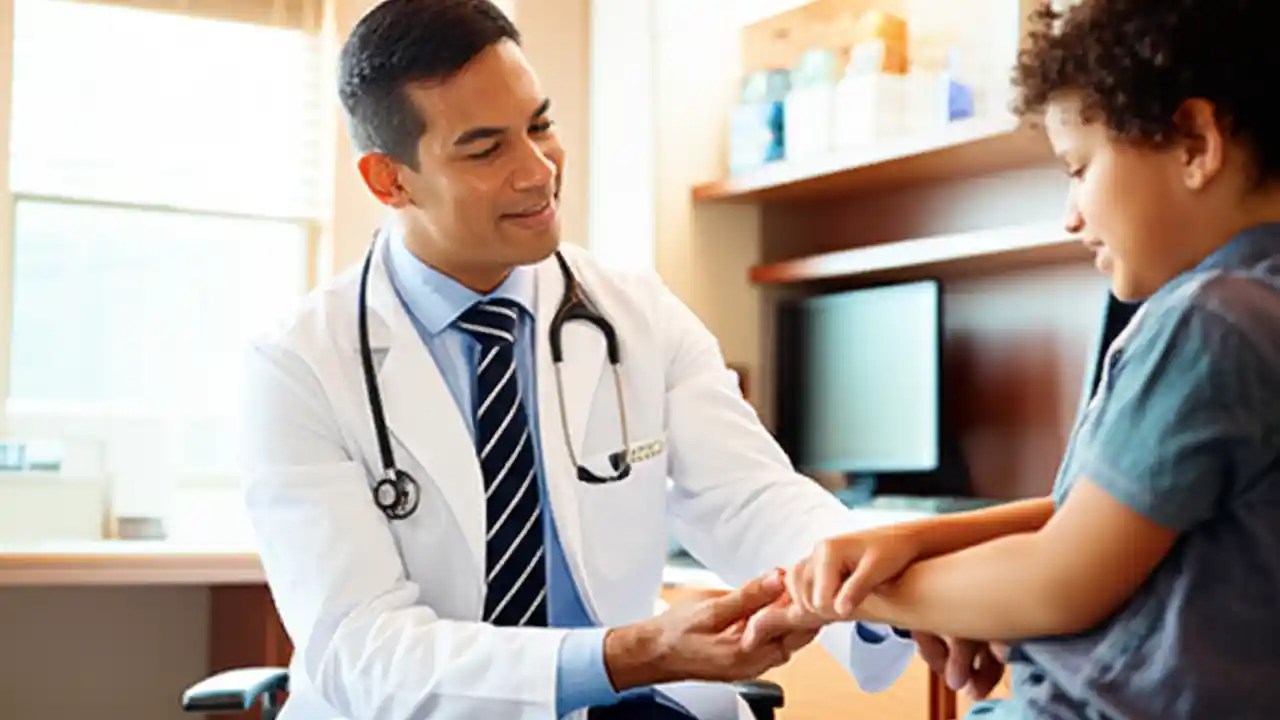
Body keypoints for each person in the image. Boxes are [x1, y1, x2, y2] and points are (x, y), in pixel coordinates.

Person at [239, 0, 916, 718]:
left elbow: (750, 498)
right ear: (389, 181)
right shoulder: (298, 366)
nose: (538, 170)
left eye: (540, 125)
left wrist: (888, 591)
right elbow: (365, 651)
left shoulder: (635, 313)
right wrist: (633, 652)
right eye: (485, 149)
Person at [744, 0, 1280, 717]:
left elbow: (1058, 578)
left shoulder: (1212, 321)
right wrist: (913, 541)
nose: (1071, 214)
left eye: (1078, 167)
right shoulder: (1257, 307)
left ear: (1193, 142)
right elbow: (1095, 518)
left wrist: (856, 597)